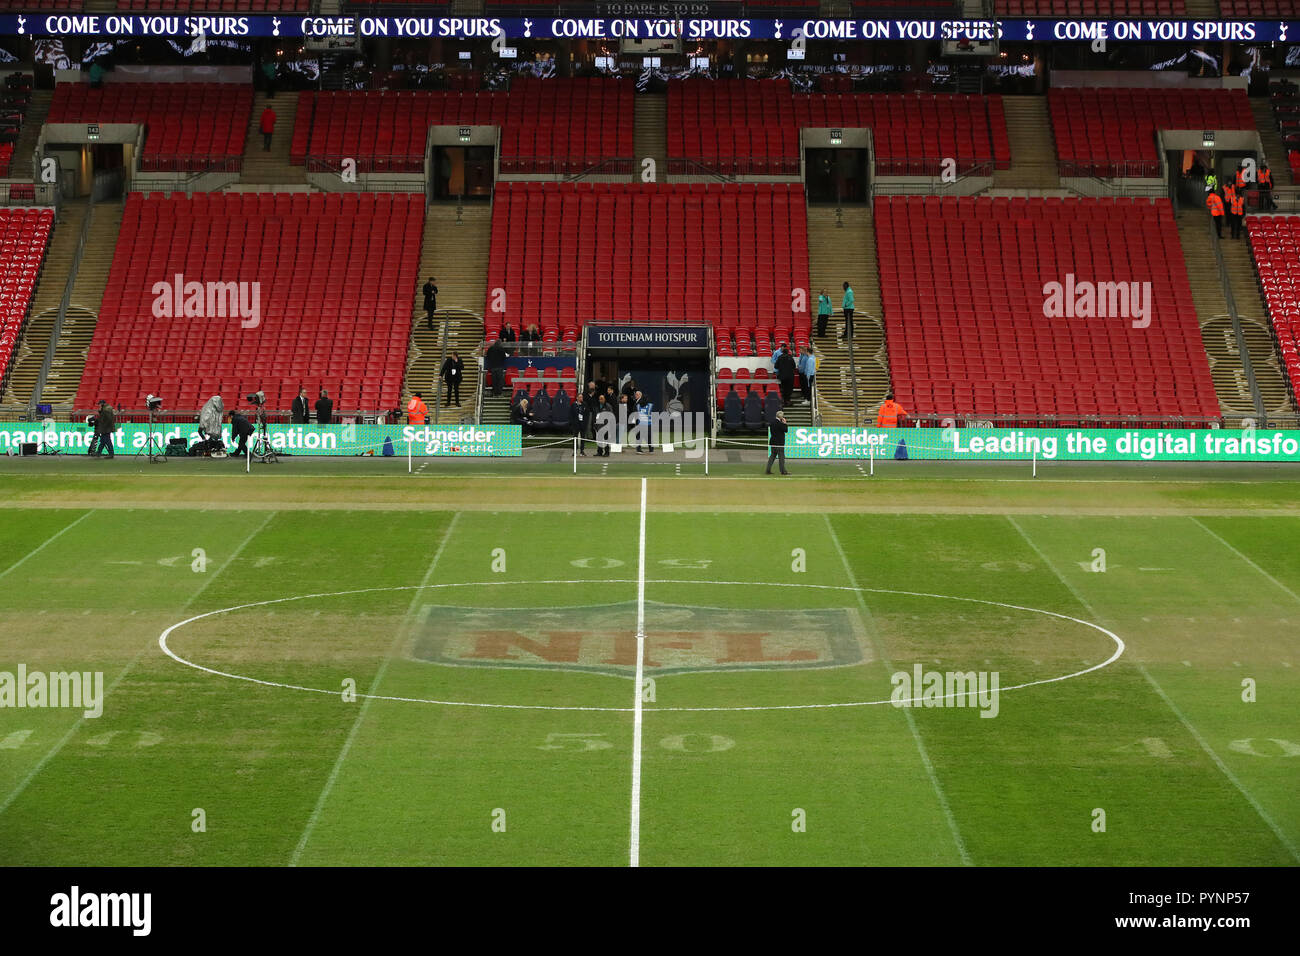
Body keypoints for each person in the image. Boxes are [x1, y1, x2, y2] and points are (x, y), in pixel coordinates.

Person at [765, 410, 789, 476]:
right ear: (781, 417)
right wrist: (785, 423)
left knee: (772, 457)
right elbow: (786, 430)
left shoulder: (772, 422)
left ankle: (768, 470)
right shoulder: (780, 424)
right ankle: (783, 471)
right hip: (779, 443)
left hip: (773, 442)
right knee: (781, 458)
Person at [633, 389, 654, 454]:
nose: (635, 395)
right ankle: (649, 449)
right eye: (635, 394)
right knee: (644, 436)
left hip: (642, 421)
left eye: (636, 394)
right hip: (642, 421)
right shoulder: (637, 402)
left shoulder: (640, 403)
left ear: (640, 395)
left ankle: (641, 449)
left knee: (641, 436)